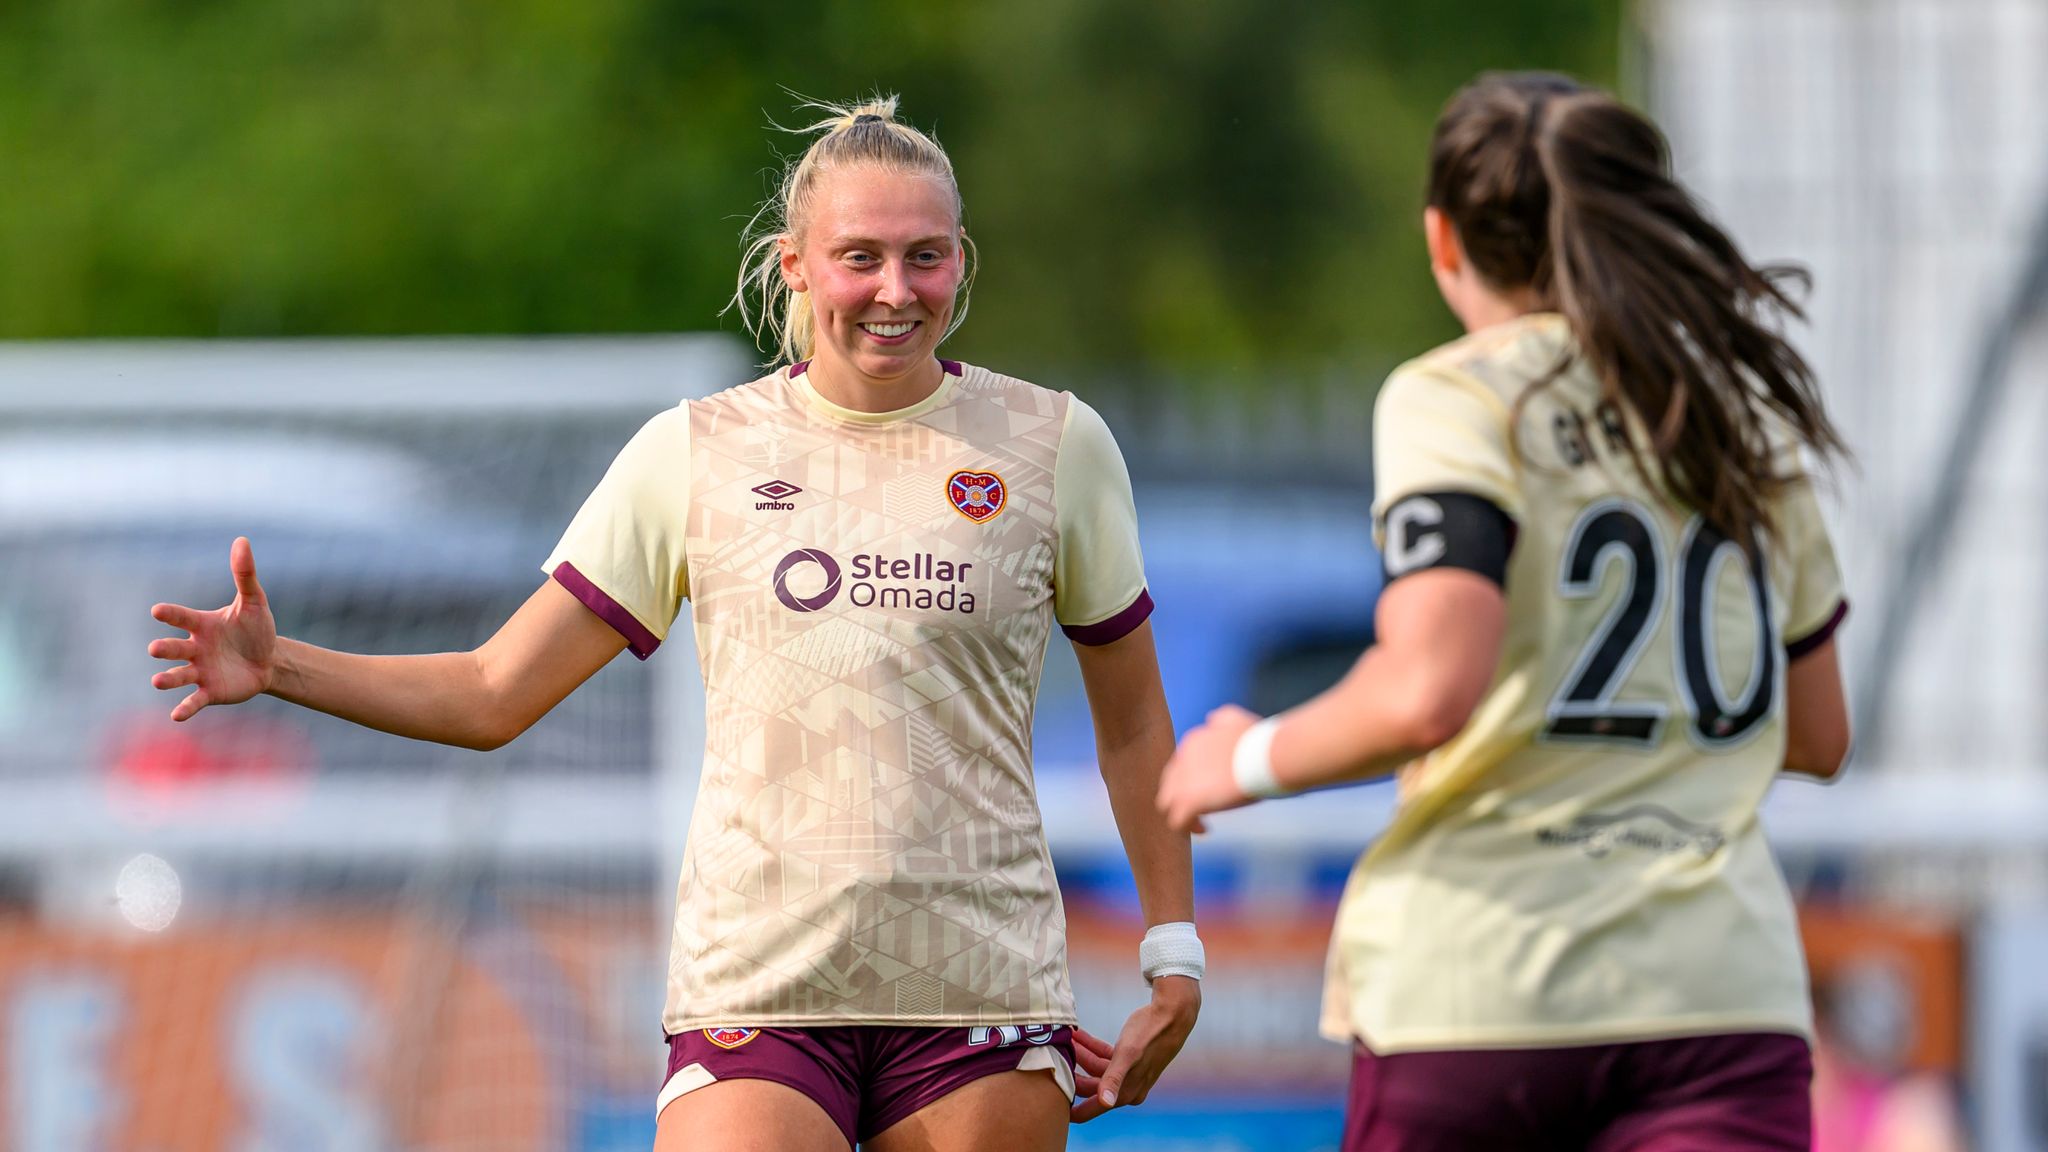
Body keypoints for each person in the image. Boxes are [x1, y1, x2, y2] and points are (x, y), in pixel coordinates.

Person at [149, 95, 1200, 1152]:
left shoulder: (1051, 445)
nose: (895, 290)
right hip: (756, 988)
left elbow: (1133, 727)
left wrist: (1174, 954)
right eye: (860, 257)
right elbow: (492, 692)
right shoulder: (695, 451)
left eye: (924, 257)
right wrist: (280, 665)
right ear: (795, 265)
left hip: (979, 991)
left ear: (960, 260)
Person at [1158, 71, 1852, 1151]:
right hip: (1718, 998)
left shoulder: (1458, 395)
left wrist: (1244, 758)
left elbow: (1428, 689)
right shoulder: (1738, 415)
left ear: (1442, 239)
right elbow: (1816, 735)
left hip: (1483, 987)